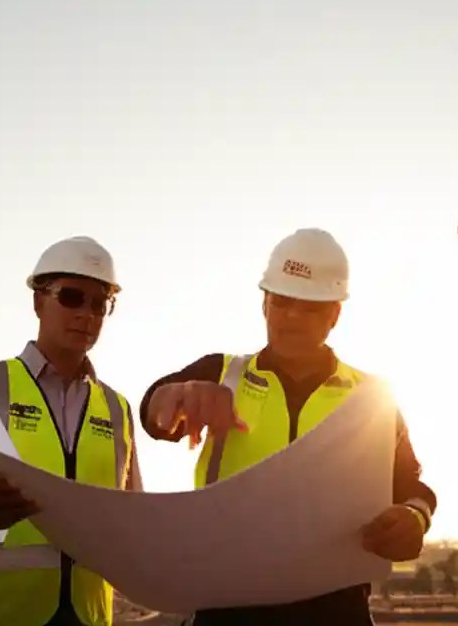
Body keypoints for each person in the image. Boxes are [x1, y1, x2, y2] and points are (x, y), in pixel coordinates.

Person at [141, 228, 437, 626]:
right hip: (228, 608)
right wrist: (167, 399)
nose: (293, 317)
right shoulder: (220, 374)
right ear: (264, 303)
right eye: (282, 302)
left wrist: (414, 517)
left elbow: (411, 486)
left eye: (311, 306)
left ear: (335, 314)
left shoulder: (372, 398)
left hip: (337, 610)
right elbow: (156, 415)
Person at [0, 236, 144, 626]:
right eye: (70, 297)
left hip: (88, 615)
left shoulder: (117, 409)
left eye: (99, 304)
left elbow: (135, 521)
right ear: (38, 301)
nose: (86, 314)